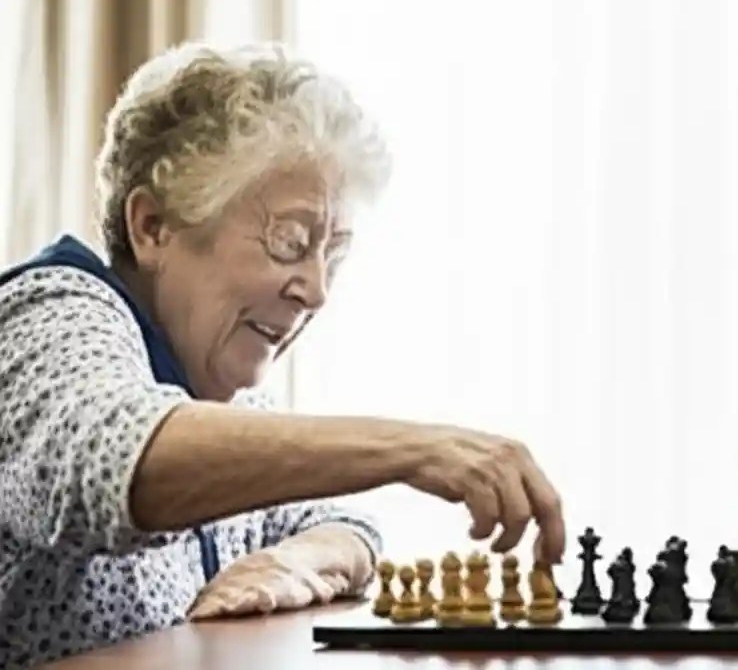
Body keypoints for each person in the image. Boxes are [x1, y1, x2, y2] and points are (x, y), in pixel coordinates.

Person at [0, 42, 566, 668]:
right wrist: (414, 450)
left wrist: (295, 560)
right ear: (153, 227)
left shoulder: (224, 398)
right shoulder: (45, 315)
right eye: (290, 242)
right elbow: (114, 461)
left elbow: (343, 525)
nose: (317, 290)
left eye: (334, 253)